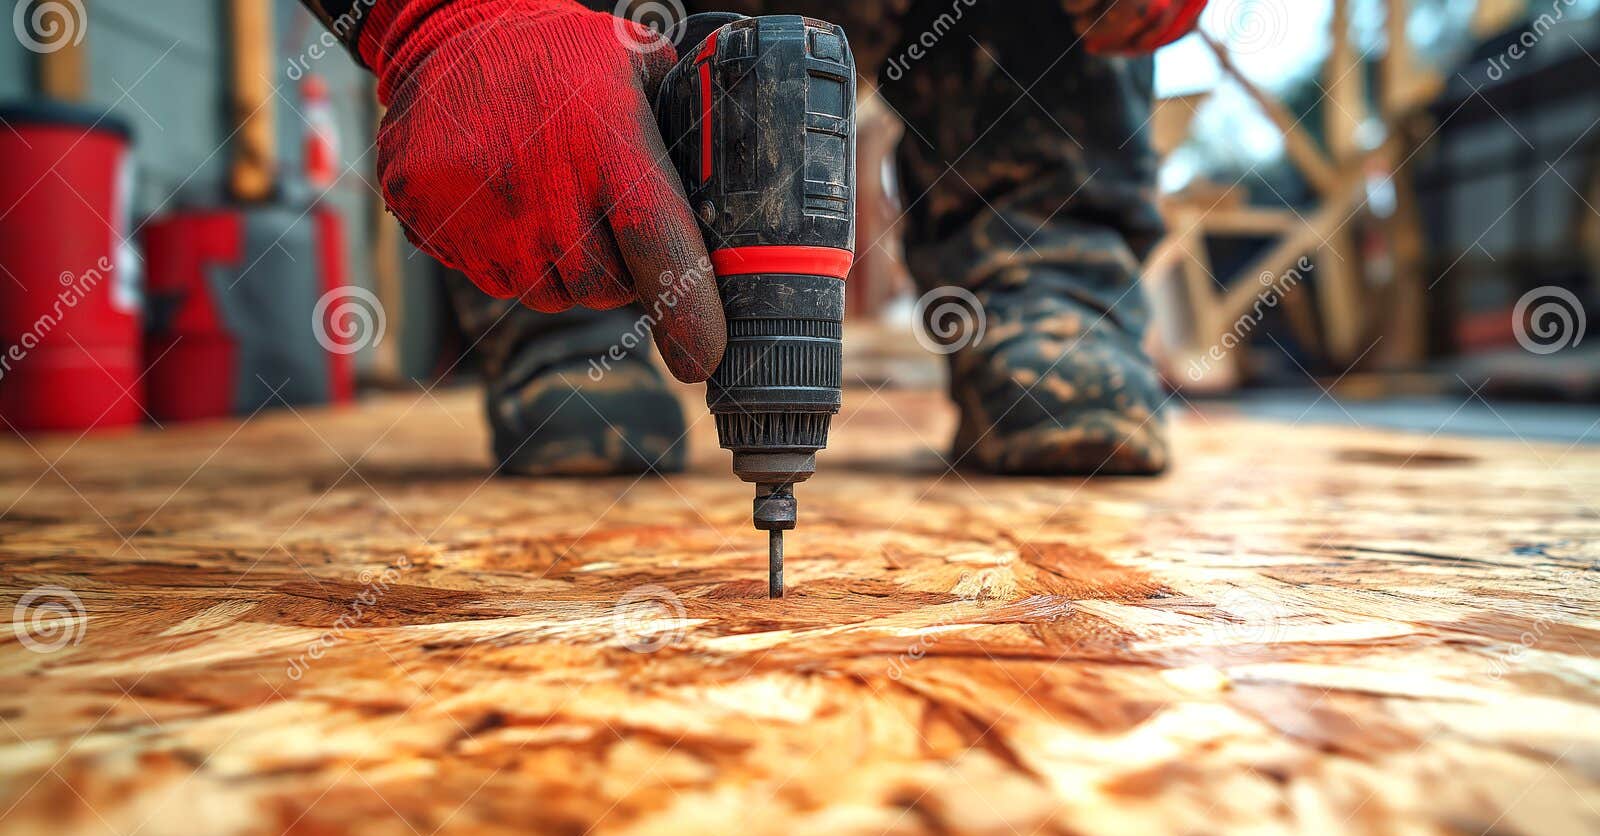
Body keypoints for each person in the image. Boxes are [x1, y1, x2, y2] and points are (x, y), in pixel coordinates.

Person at [299, 0, 1206, 475]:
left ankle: (1043, 276)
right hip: (598, 22)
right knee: (549, 82)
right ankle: (572, 307)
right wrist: (439, 10)